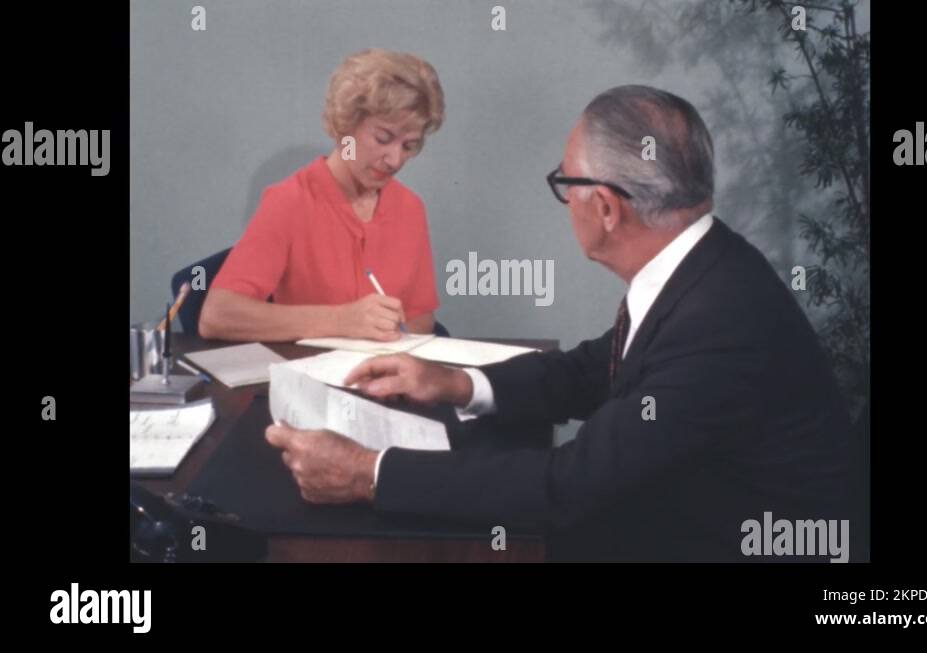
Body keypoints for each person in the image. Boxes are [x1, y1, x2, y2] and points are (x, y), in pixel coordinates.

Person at [265, 85, 858, 561]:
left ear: (604, 206)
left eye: (564, 182)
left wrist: (368, 473)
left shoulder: (718, 322)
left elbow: (564, 488)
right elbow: (596, 368)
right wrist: (457, 384)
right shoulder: (702, 266)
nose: (564, 200)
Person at [199, 48, 445, 342]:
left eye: (409, 146)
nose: (394, 159)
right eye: (383, 138)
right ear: (346, 126)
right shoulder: (289, 201)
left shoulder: (410, 208)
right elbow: (218, 316)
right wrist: (341, 320)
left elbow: (420, 318)